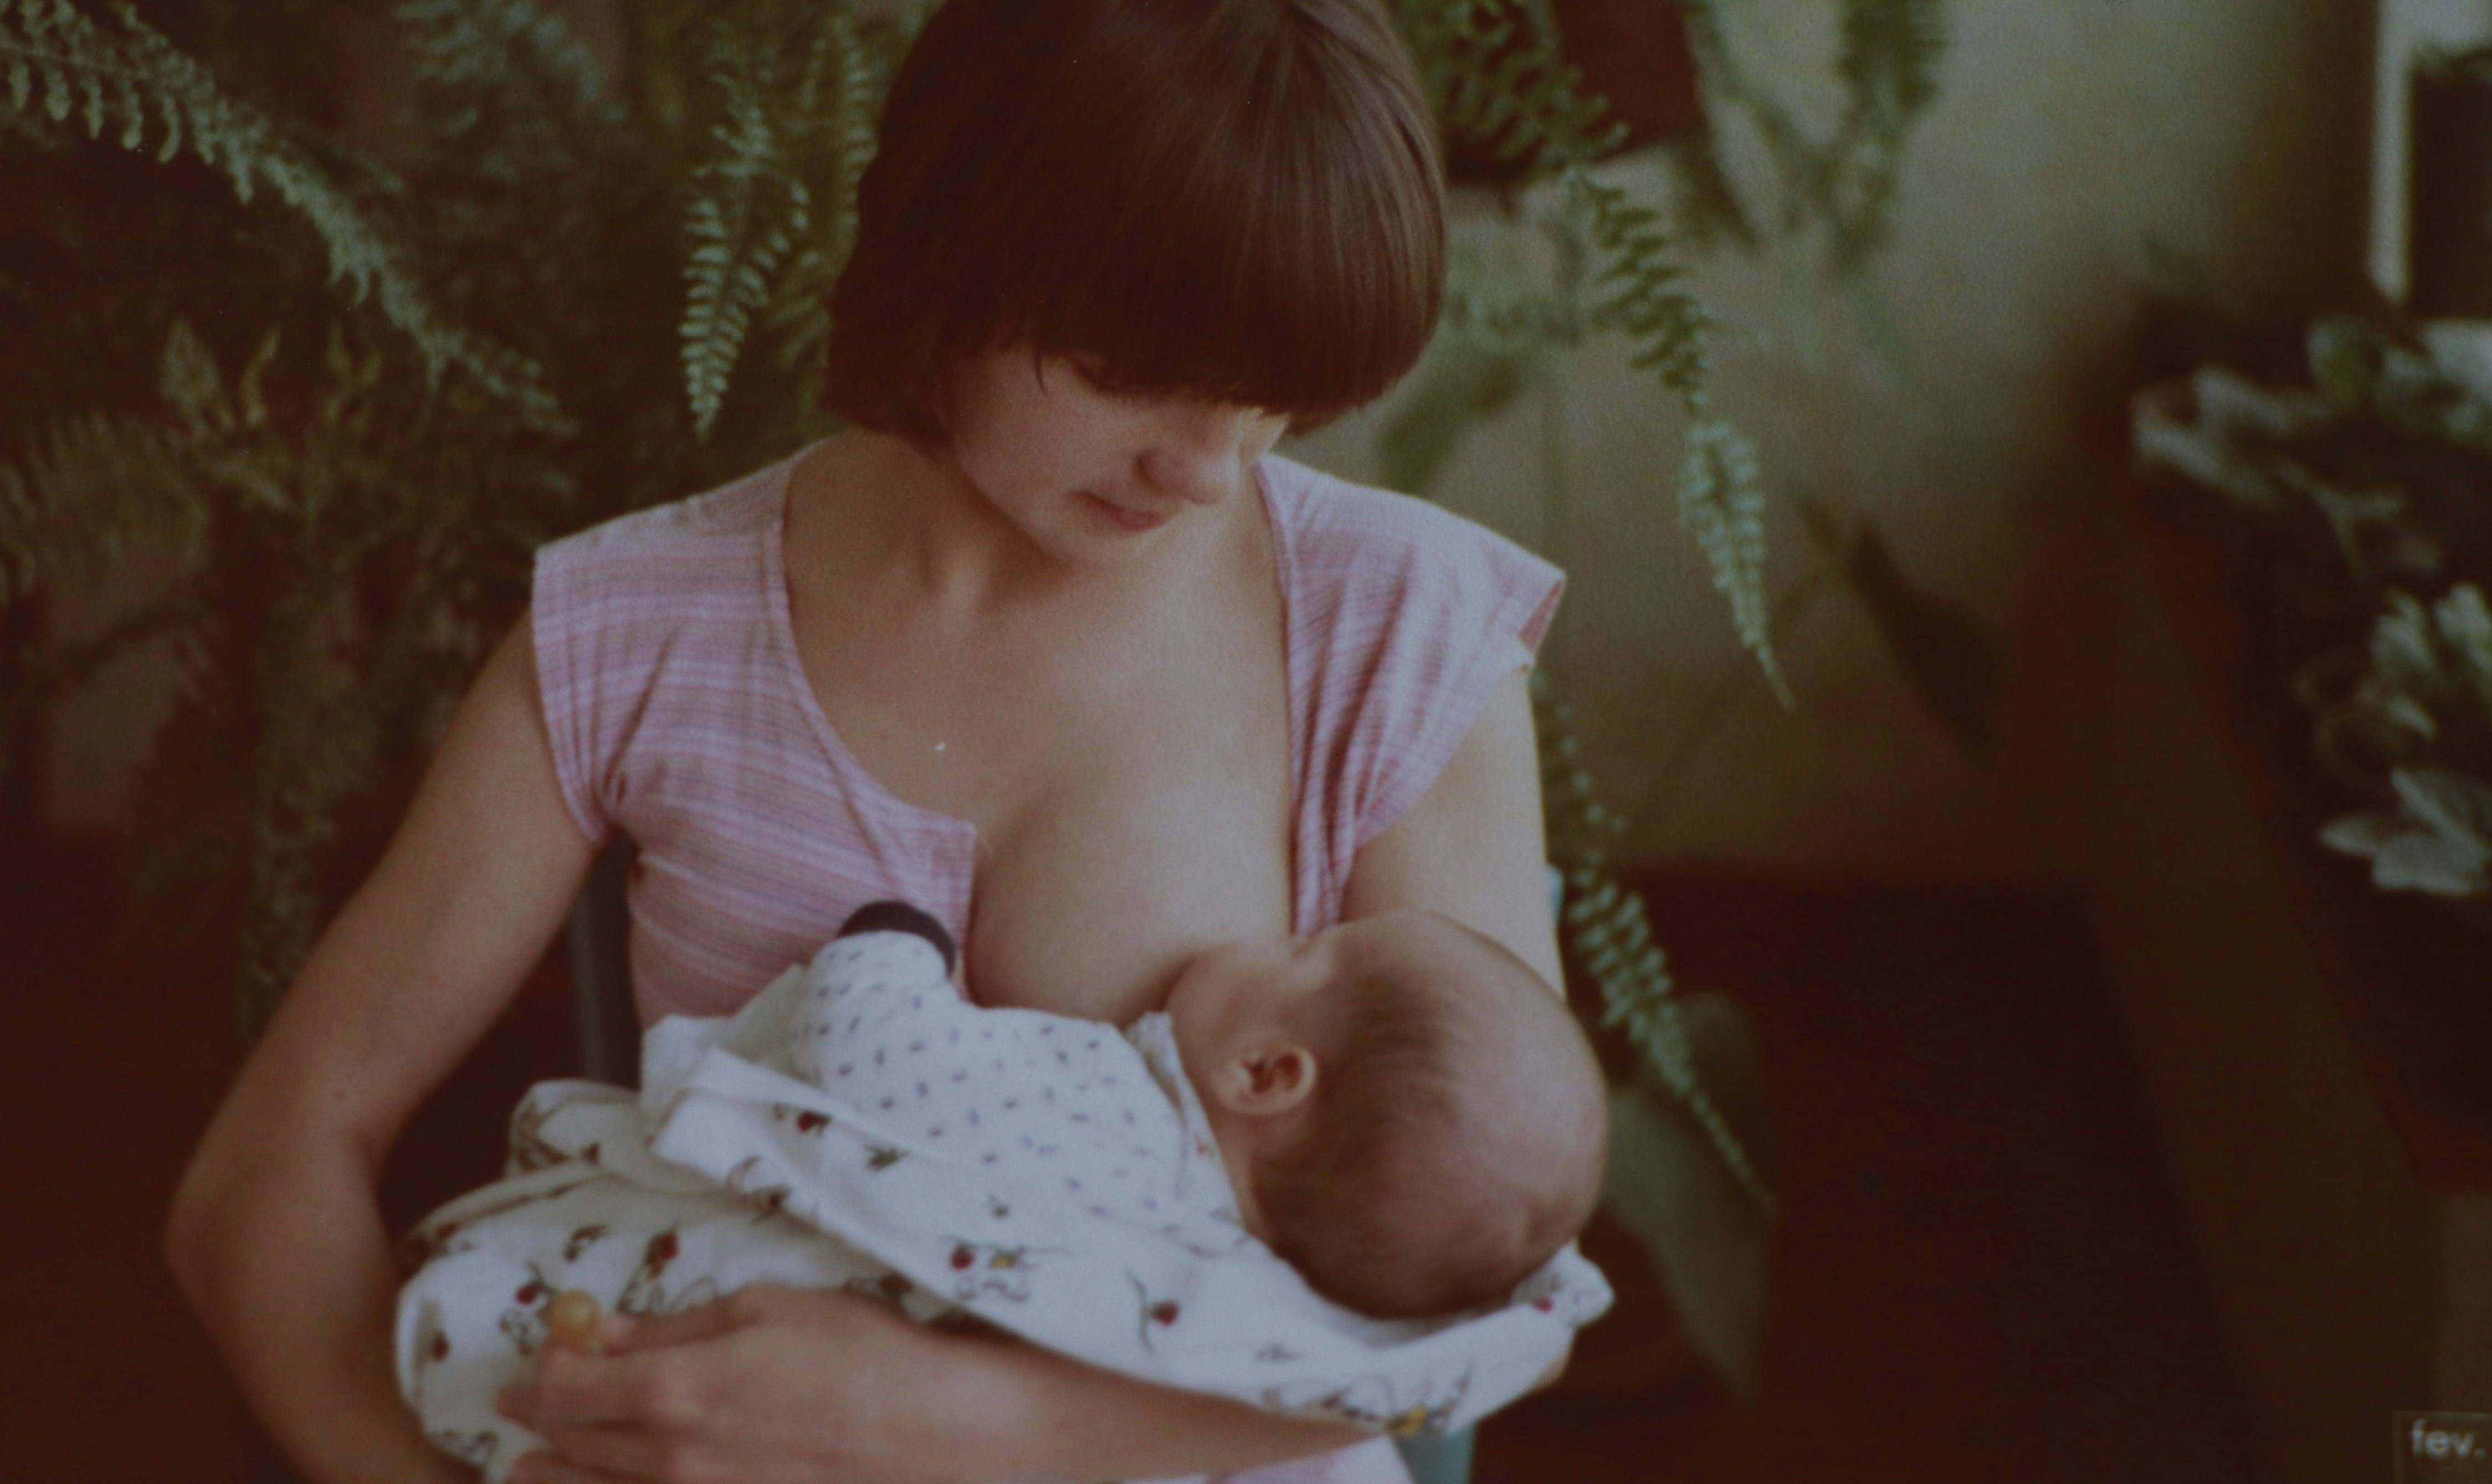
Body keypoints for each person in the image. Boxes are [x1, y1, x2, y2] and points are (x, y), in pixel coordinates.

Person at [166, 2, 1576, 1481]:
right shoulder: (636, 631)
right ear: (946, 254)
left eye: (1279, 396)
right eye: (1121, 370)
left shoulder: (1399, 635)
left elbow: (1492, 1305)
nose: (1210, 470)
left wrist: (945, 1423)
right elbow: (265, 1177)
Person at [396, 902, 1611, 1482]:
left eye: (1310, 949)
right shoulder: (1284, 1352)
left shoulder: (1118, 1114)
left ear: (1264, 1072)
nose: (1279, 929)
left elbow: (878, 1055)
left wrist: (893, 938)